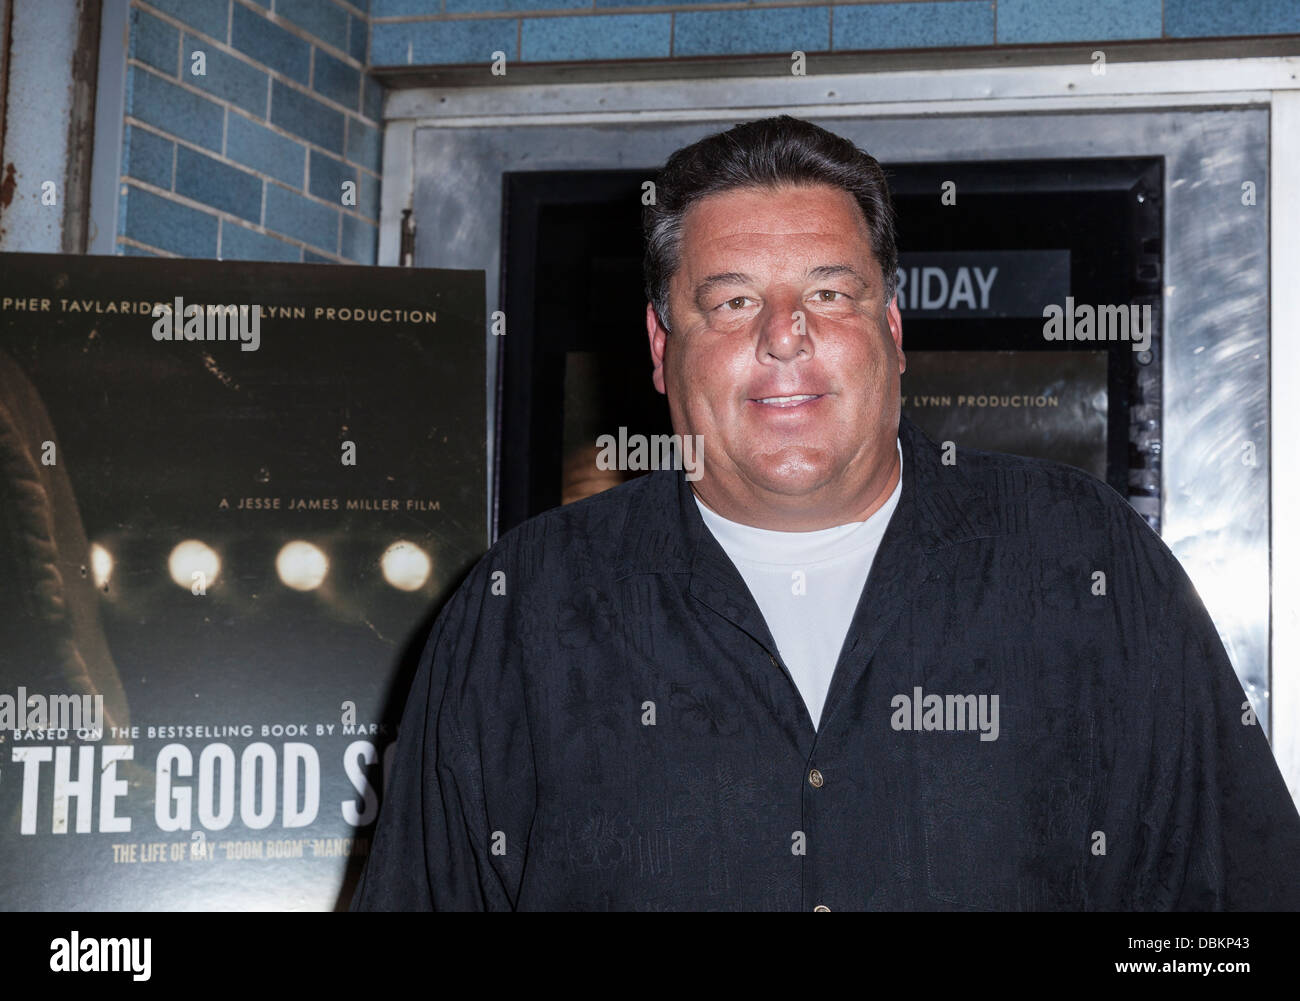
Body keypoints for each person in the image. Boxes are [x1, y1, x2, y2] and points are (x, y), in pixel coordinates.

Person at [351, 115, 1300, 910]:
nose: (783, 337)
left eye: (829, 293)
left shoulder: (1086, 565)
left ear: (891, 332)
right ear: (659, 345)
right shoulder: (523, 608)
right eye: (730, 302)